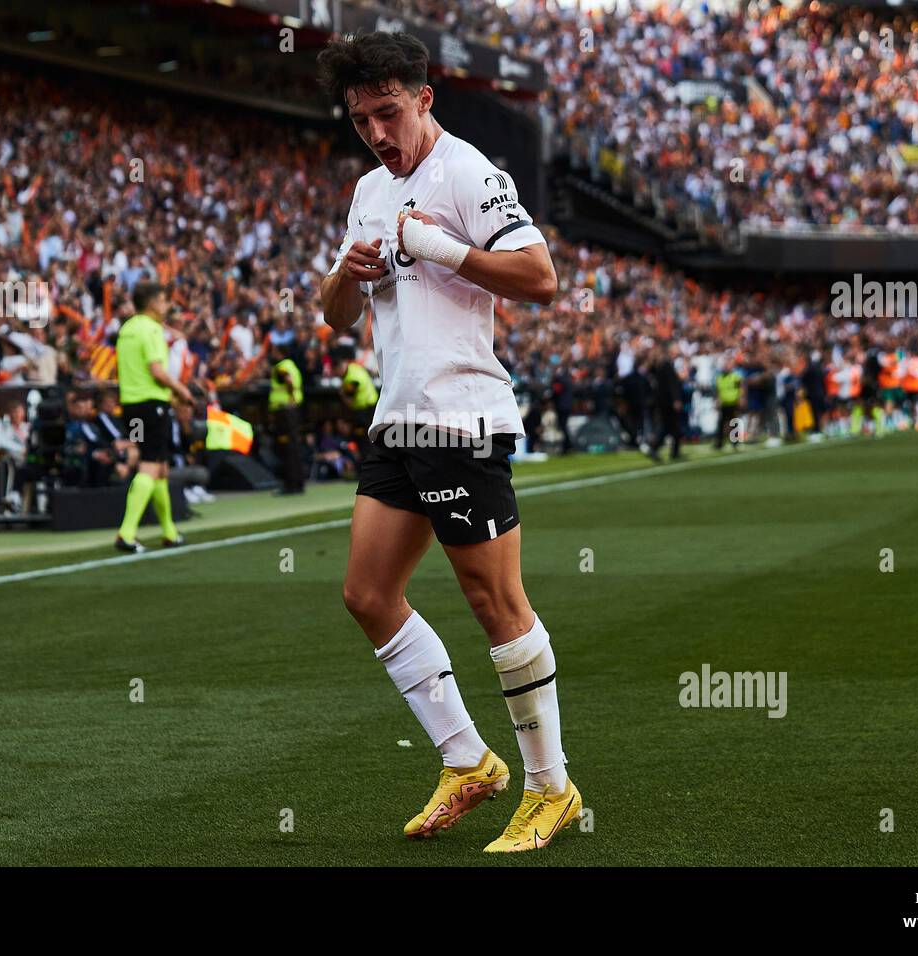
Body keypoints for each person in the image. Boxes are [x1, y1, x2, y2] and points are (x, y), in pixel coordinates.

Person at [317, 31, 580, 854]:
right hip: (397, 420)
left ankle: (551, 788)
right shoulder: (366, 191)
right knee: (367, 595)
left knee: (496, 605)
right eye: (361, 120)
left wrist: (442, 247)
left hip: (461, 419)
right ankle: (469, 761)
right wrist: (345, 273)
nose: (377, 133)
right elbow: (336, 319)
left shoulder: (468, 171)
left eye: (388, 113)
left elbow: (541, 279)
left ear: (425, 99)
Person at [113, 281, 193, 552]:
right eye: (162, 300)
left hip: (131, 404)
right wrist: (182, 391)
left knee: (159, 466)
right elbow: (157, 370)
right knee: (150, 463)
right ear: (151, 303)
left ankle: (169, 531)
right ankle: (126, 533)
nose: (166, 305)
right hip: (152, 404)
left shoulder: (126, 329)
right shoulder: (151, 329)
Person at [268, 341, 305, 494]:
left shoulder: (282, 366)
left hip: (285, 411)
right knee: (294, 446)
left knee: (287, 447)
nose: (272, 354)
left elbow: (288, 380)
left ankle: (290, 484)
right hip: (292, 410)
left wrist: (289, 397)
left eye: (274, 351)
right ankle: (297, 482)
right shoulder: (292, 365)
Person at [649, 344, 683, 462]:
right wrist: (676, 399)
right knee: (671, 427)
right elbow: (672, 384)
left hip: (662, 401)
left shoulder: (657, 366)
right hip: (669, 401)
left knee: (669, 427)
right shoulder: (666, 365)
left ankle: (673, 451)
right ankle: (656, 448)